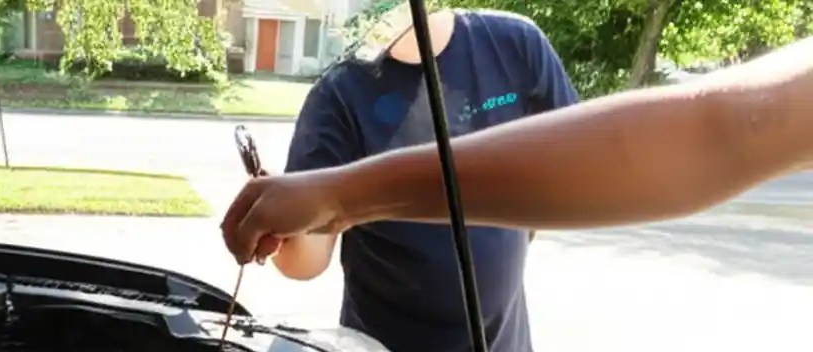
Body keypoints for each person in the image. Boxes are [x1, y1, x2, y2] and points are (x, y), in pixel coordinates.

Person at [270, 4, 578, 352]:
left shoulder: (515, 44)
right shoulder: (339, 95)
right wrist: (280, 227)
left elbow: (566, 167)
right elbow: (305, 261)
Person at [223, 35, 813, 252]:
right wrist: (326, 203)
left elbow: (596, 166)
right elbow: (729, 128)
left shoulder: (515, 44)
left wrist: (343, 196)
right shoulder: (342, 87)